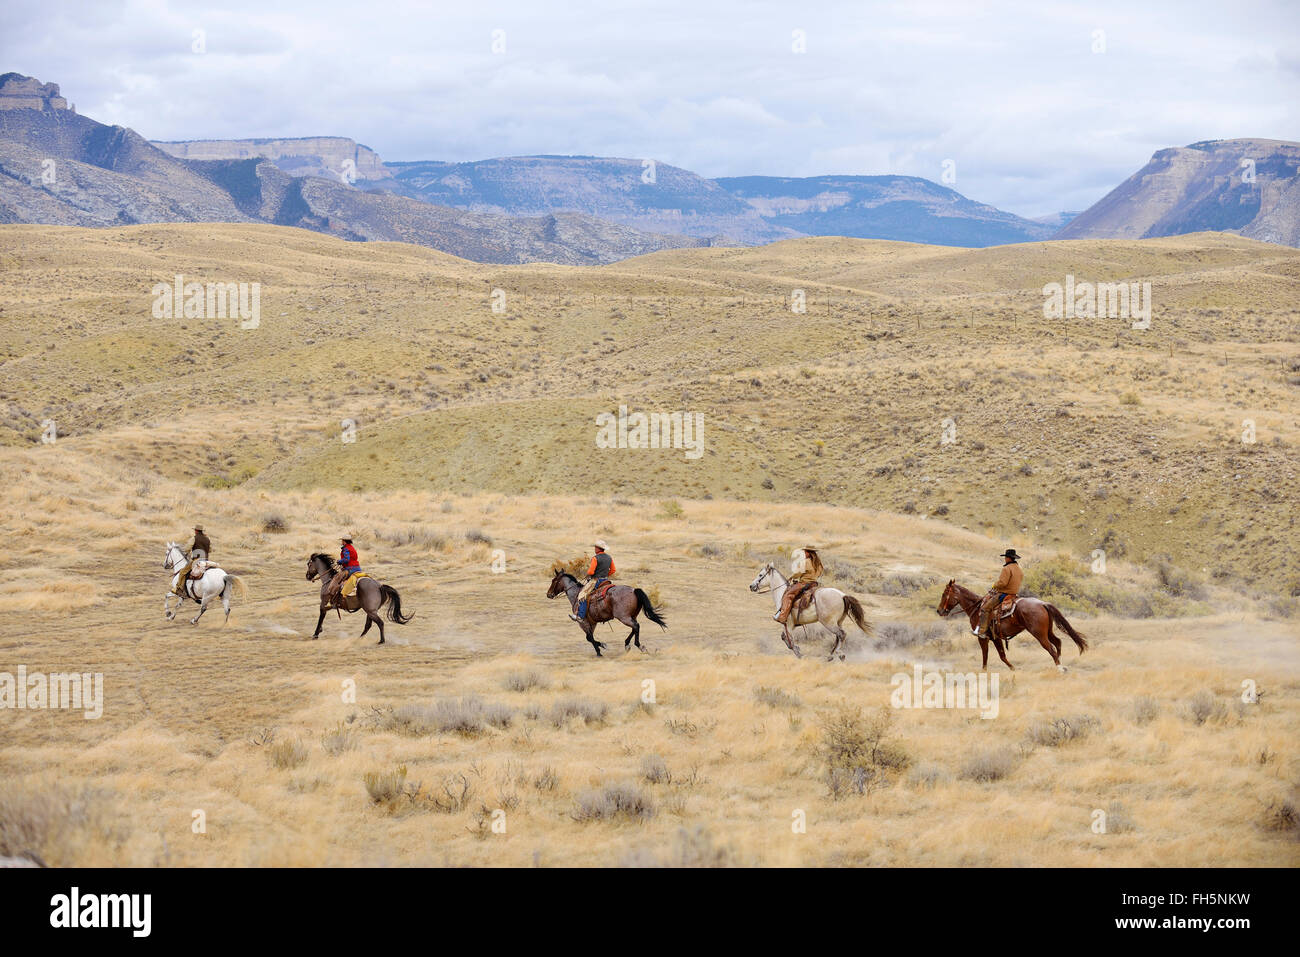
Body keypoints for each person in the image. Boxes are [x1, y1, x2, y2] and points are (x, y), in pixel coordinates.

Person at [976, 549, 1024, 639]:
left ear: (1009, 558)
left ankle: (982, 632)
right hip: (1014, 594)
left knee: (985, 608)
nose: (1005, 559)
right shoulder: (1019, 569)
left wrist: (995, 585)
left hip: (1004, 594)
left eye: (1005, 557)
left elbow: (1003, 583)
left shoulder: (1006, 568)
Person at [774, 546, 823, 624]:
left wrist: (791, 577)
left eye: (805, 552)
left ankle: (782, 617)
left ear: (809, 553)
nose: (804, 553)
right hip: (814, 584)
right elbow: (820, 573)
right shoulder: (818, 563)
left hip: (804, 583)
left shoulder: (806, 562)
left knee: (788, 595)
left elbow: (798, 573)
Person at [570, 540, 615, 621]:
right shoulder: (609, 558)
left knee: (582, 595)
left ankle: (580, 616)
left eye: (595, 547)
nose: (594, 548)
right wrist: (605, 575)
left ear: (598, 548)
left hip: (596, 581)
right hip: (605, 580)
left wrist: (589, 574)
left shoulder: (595, 558)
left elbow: (591, 572)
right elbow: (613, 570)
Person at [173, 524, 211, 596]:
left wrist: (187, 552)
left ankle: (179, 589)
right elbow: (210, 550)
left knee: (182, 572)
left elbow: (187, 548)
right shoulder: (207, 539)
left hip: (197, 560)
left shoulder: (194, 538)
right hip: (206, 560)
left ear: (196, 531)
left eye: (194, 530)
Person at [327, 535, 362, 603]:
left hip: (350, 569)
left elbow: (346, 559)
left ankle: (333, 598)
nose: (341, 542)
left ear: (344, 541)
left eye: (342, 540)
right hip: (357, 568)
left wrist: (339, 561)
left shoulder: (346, 548)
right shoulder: (351, 547)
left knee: (336, 579)